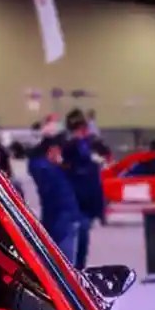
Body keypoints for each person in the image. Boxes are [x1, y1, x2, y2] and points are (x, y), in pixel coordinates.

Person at [27, 136, 83, 265]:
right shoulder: (50, 170)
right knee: (65, 261)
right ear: (52, 150)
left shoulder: (45, 168)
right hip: (63, 218)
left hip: (56, 217)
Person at [61, 110, 105, 268]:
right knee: (78, 233)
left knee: (83, 235)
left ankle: (79, 267)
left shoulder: (88, 145)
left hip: (87, 197)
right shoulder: (70, 147)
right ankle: (75, 267)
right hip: (77, 197)